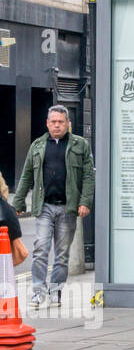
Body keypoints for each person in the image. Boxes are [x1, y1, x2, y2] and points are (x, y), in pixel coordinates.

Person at [13, 105, 94, 309]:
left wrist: (85, 202)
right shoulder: (38, 145)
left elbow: (88, 176)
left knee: (62, 253)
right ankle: (38, 292)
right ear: (47, 123)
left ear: (68, 123)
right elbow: (27, 175)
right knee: (40, 248)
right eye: (53, 122)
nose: (57, 125)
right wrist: (19, 202)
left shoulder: (80, 145)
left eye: (60, 122)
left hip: (68, 207)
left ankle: (55, 291)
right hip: (45, 206)